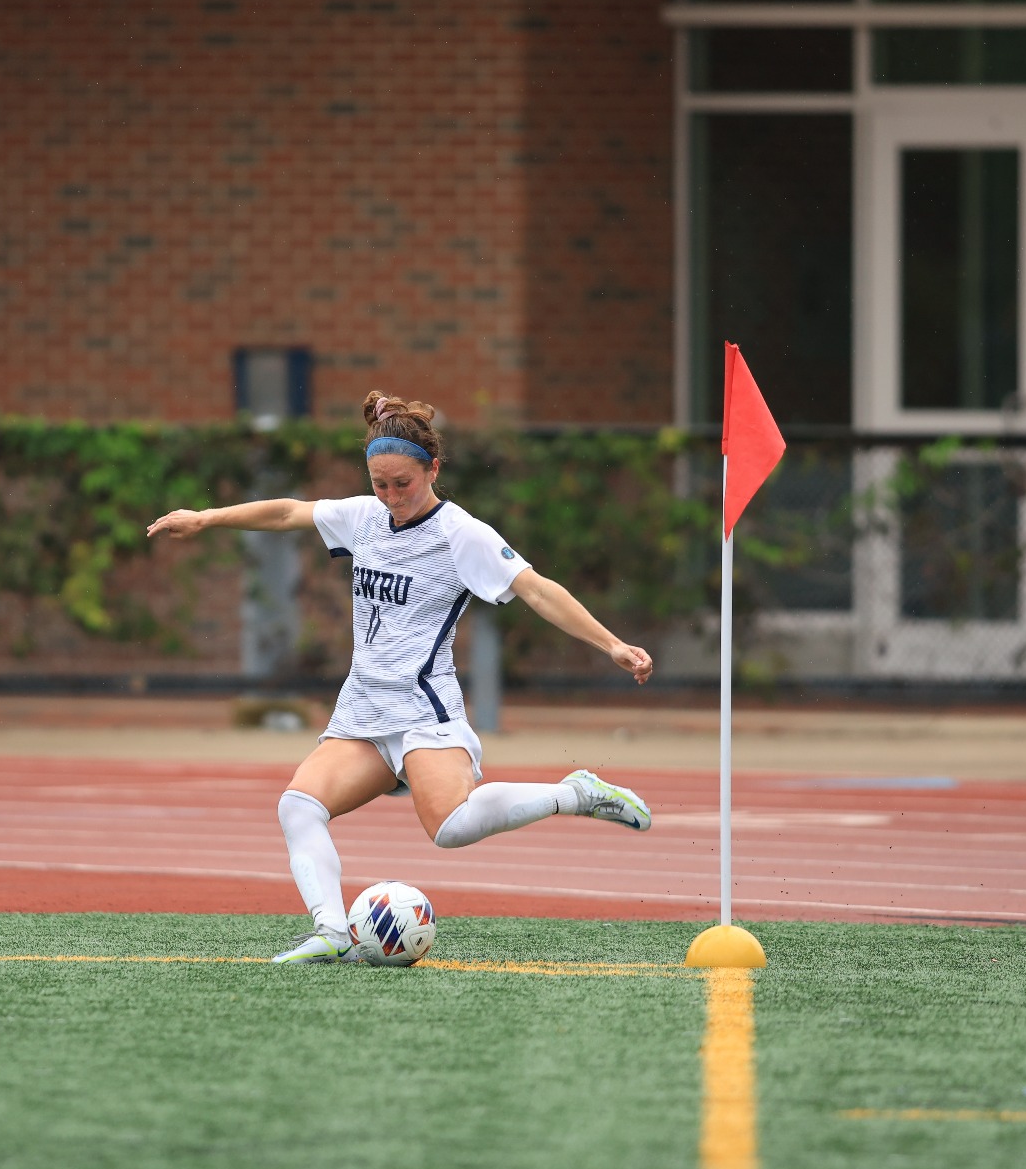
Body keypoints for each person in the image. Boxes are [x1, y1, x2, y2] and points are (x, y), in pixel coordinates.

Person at [147, 390, 657, 964]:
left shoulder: (462, 534)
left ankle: (576, 793)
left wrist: (612, 644)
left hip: (422, 708)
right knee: (298, 806)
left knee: (452, 827)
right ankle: (332, 932)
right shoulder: (365, 518)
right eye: (379, 483)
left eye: (402, 484)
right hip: (363, 706)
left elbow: (537, 589)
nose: (390, 496)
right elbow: (290, 511)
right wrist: (206, 517)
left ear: (432, 469)